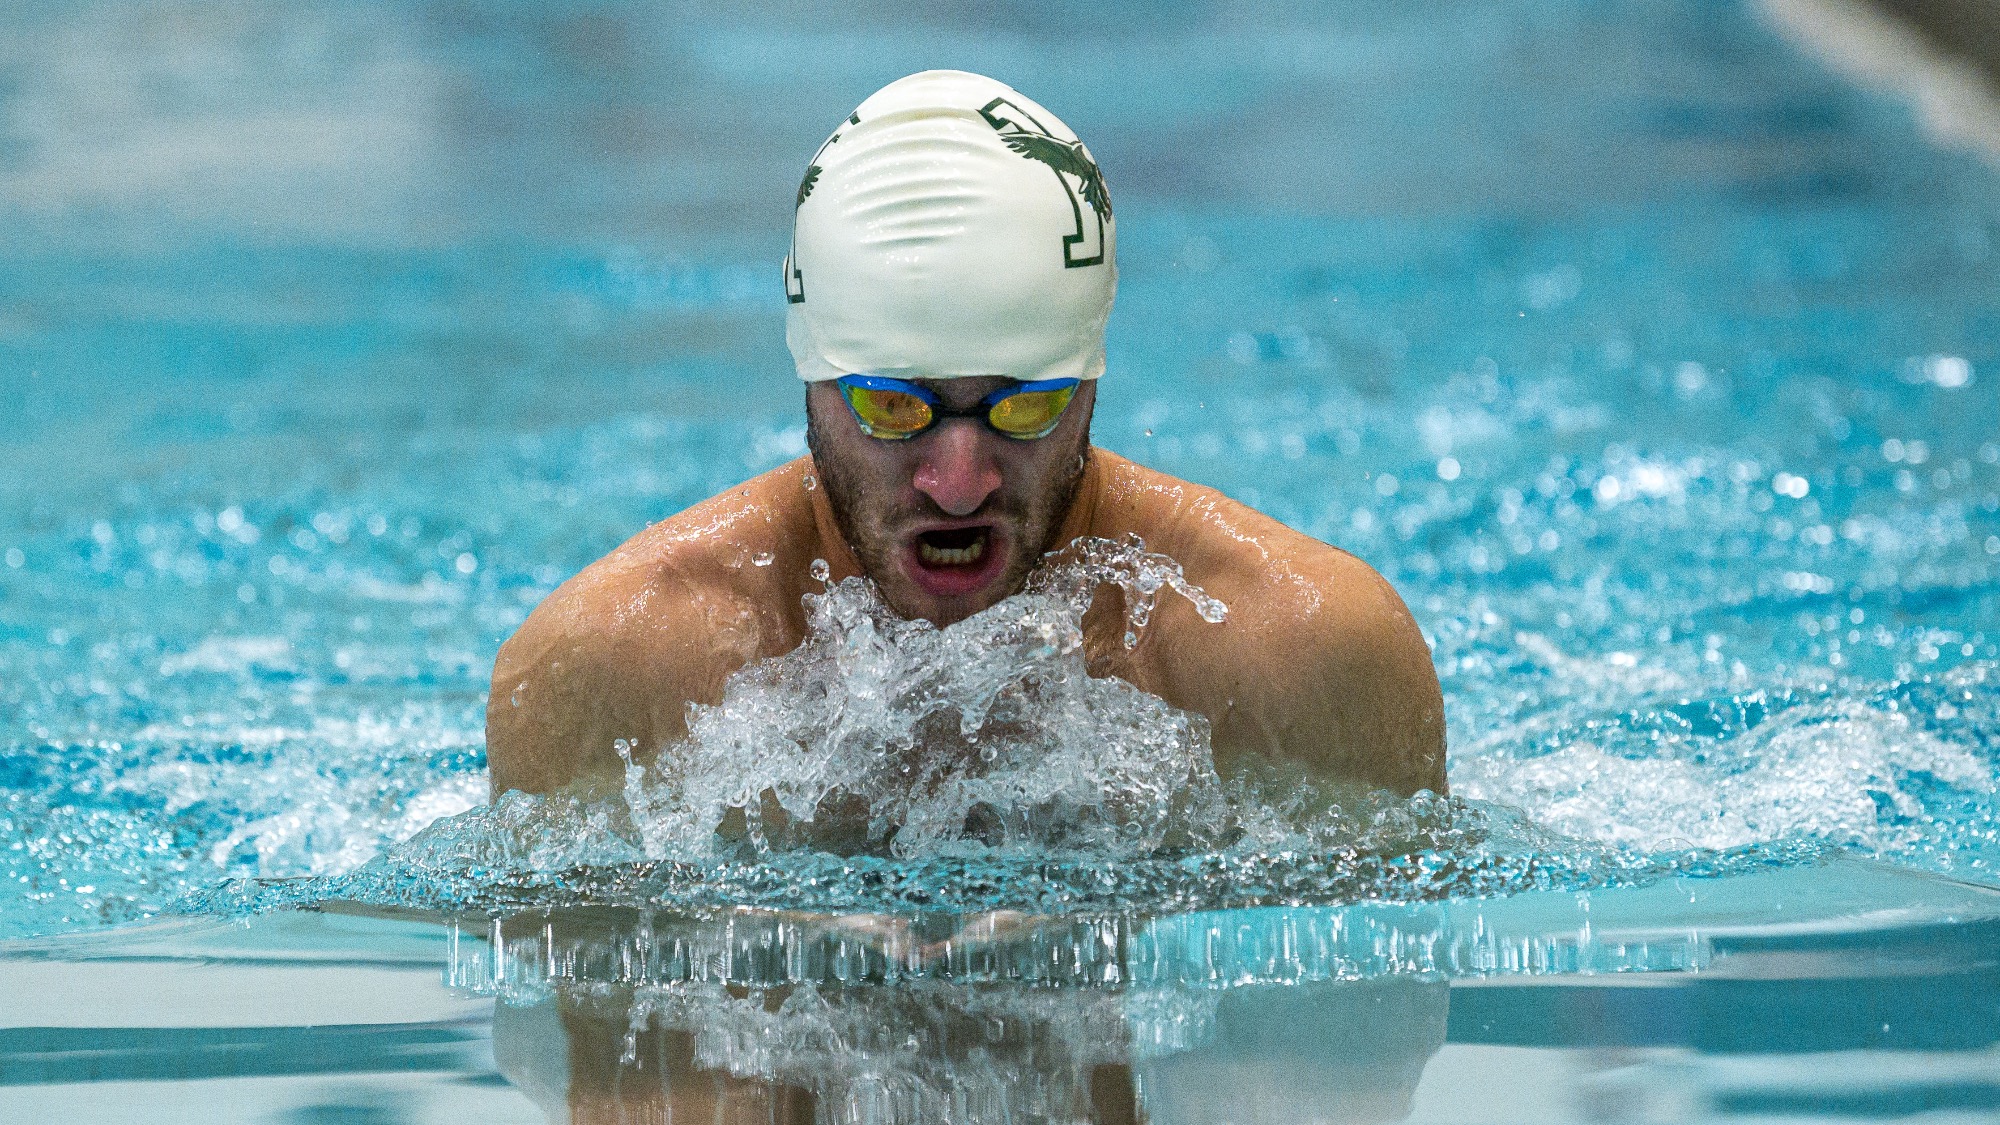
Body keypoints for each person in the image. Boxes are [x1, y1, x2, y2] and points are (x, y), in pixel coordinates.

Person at [486, 70, 1444, 802]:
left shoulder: (1305, 653)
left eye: (1023, 405)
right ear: (813, 373)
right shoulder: (618, 665)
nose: (957, 481)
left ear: (1091, 373)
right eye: (892, 407)